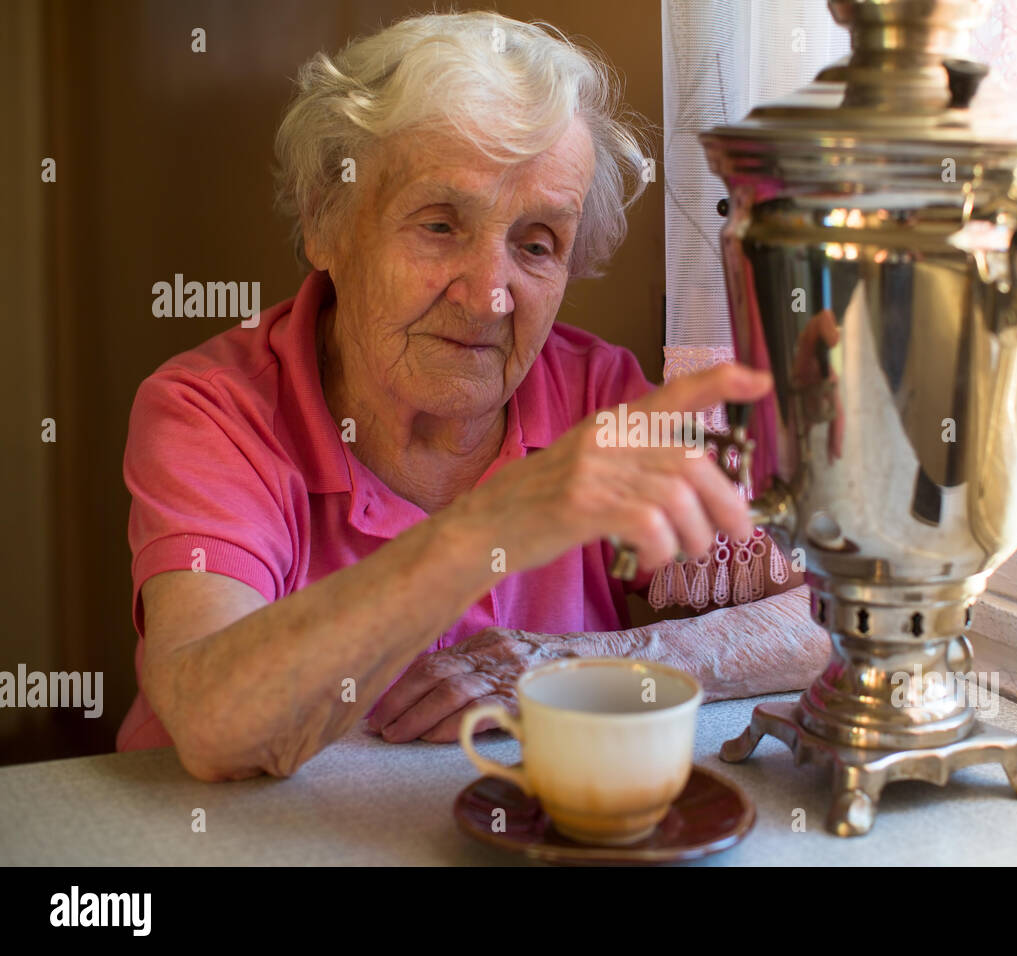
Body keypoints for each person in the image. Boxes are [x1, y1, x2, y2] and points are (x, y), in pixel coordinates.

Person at [117, 10, 828, 781]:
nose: (490, 294)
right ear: (328, 222)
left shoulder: (599, 400)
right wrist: (487, 528)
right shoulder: (212, 412)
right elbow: (219, 727)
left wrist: (582, 660)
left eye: (536, 245)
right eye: (439, 224)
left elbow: (834, 615)